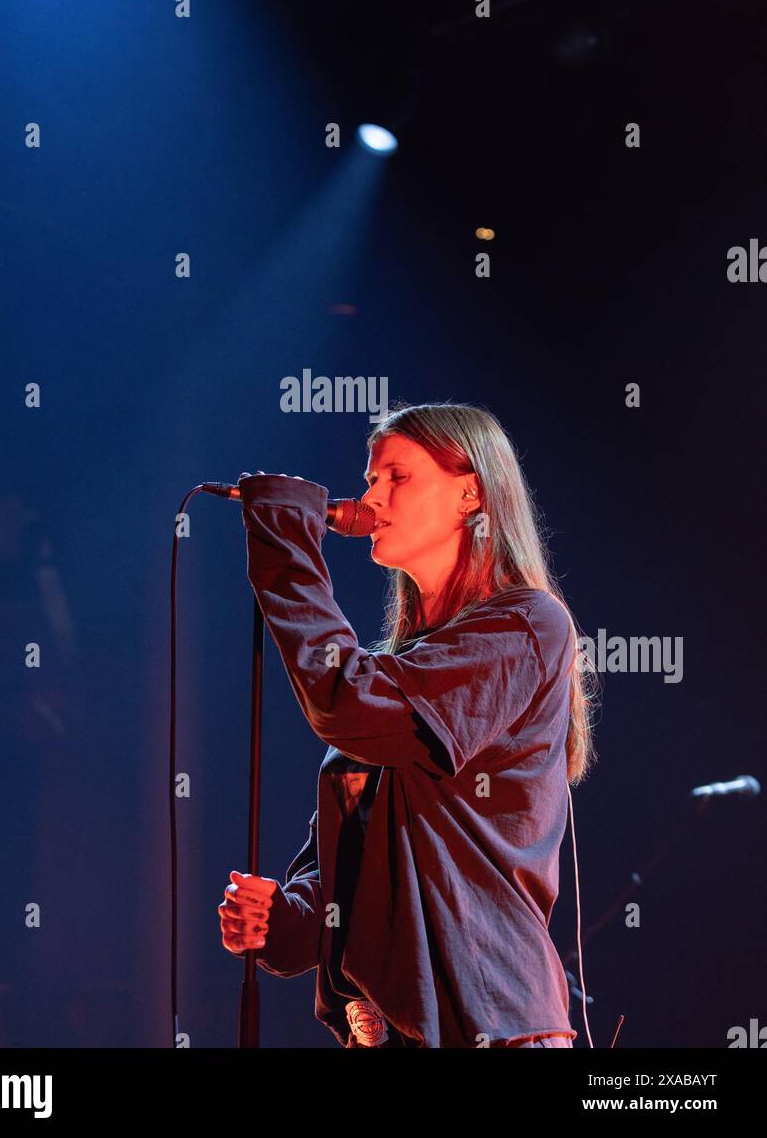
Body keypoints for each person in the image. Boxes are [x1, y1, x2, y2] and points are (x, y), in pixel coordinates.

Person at [218, 402, 598, 1048]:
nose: (372, 495)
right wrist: (279, 918)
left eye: (397, 476)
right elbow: (342, 890)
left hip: (491, 1023)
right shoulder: (404, 669)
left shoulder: (526, 626)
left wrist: (284, 539)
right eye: (370, 479)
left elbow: (347, 701)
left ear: (470, 493)